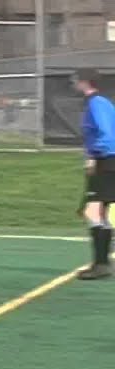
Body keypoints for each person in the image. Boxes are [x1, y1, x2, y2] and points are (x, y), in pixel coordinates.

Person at [73, 68, 115, 280]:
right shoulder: (103, 102)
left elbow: (106, 133)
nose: (74, 84)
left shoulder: (96, 103)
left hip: (106, 162)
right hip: (107, 161)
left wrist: (93, 156)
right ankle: (101, 262)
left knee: (92, 211)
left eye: (76, 80)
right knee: (98, 211)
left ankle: (101, 263)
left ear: (85, 82)